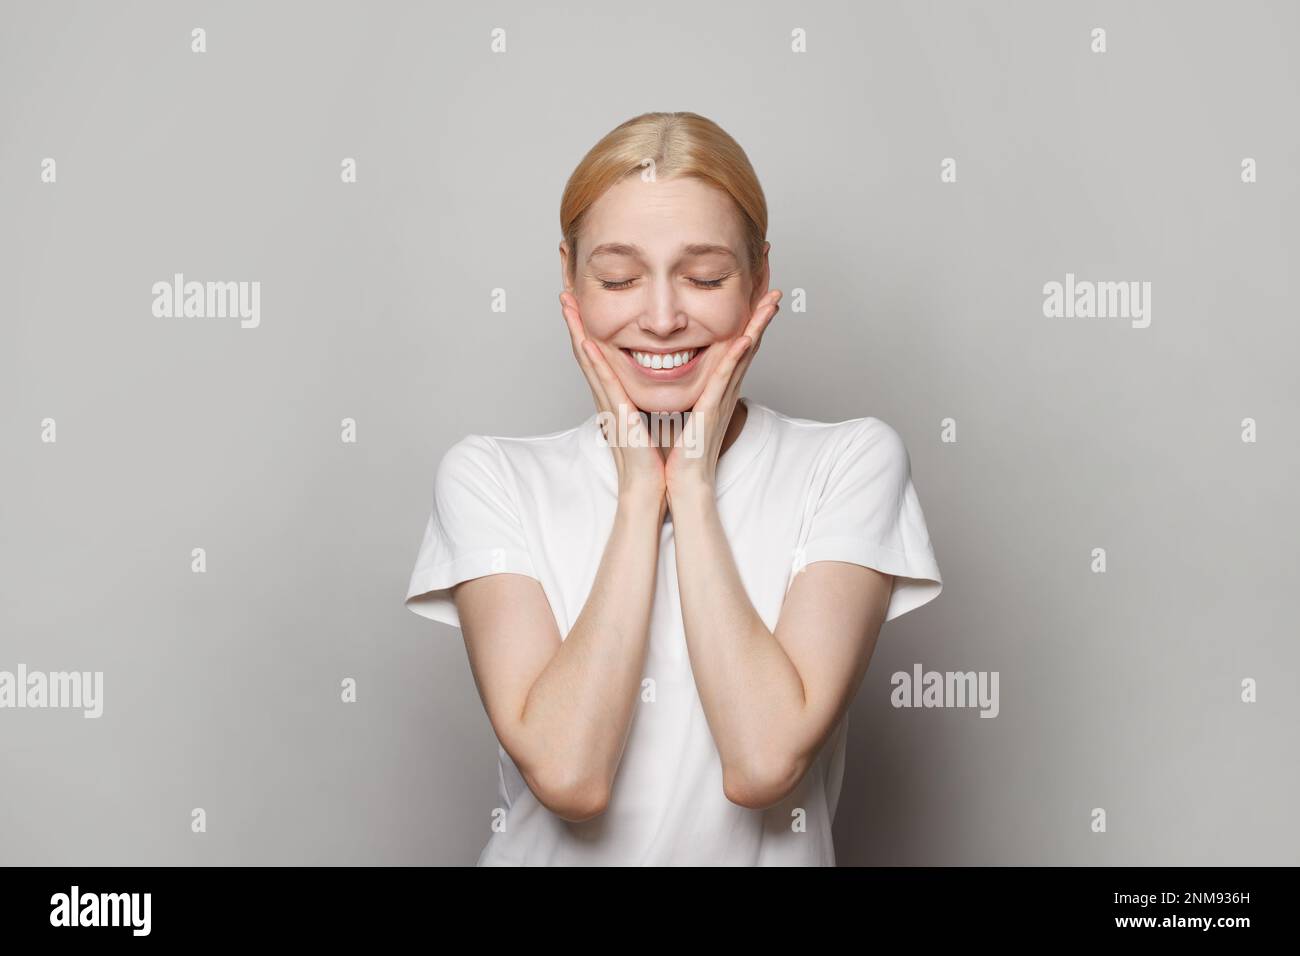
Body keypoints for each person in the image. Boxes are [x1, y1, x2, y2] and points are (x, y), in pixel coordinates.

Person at [404, 111, 943, 865]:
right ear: (570, 280)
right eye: (620, 278)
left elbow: (762, 762)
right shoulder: (490, 477)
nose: (661, 318)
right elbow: (569, 774)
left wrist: (690, 488)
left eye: (705, 277)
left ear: (758, 276)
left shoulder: (849, 464)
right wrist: (636, 497)